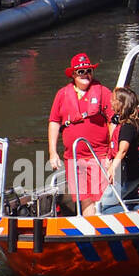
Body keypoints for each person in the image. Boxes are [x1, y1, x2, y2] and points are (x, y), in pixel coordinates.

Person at [48, 51, 113, 213]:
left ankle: (103, 231)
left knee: (103, 198)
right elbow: (54, 123)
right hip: (75, 158)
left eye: (88, 71)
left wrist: (111, 154)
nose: (85, 75)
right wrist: (52, 152)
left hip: (99, 155)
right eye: (81, 71)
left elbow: (113, 122)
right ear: (73, 75)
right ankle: (89, 232)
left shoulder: (104, 93)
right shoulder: (62, 95)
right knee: (85, 199)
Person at [105, 86, 139, 205]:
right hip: (128, 172)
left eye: (114, 100)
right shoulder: (125, 122)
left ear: (121, 103)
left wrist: (112, 168)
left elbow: (123, 150)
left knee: (106, 203)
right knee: (129, 199)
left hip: (129, 174)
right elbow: (112, 140)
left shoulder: (128, 127)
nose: (111, 102)